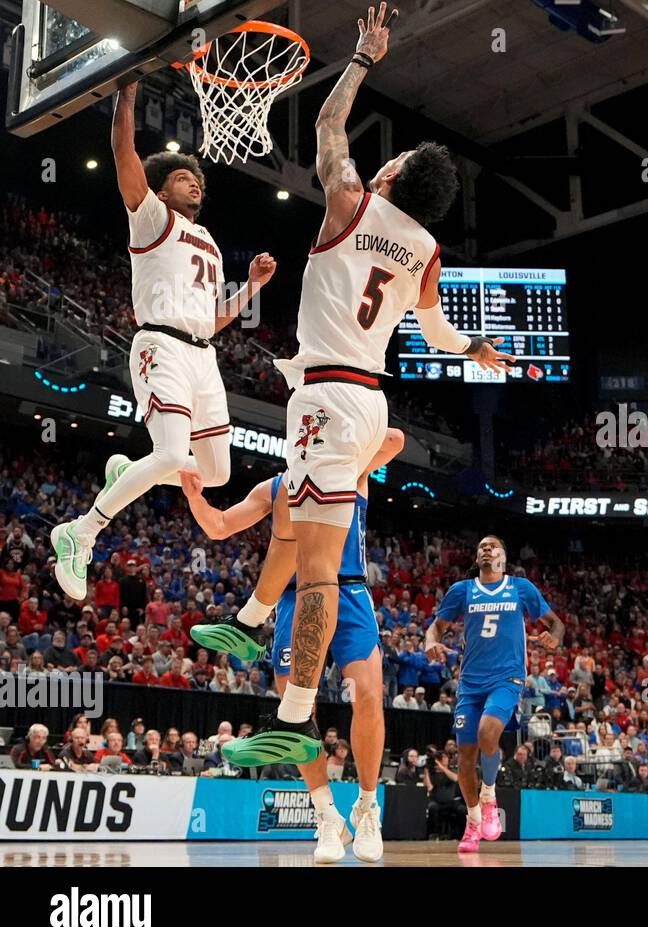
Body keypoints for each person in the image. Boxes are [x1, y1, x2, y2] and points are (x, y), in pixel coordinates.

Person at [227, 2, 511, 779]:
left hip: (325, 396)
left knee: (315, 566)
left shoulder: (351, 199)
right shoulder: (426, 251)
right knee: (301, 538)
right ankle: (255, 626)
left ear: (390, 175)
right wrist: (478, 347)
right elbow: (441, 336)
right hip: (367, 400)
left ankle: (290, 713)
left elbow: (325, 125)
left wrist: (361, 60)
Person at [49, 81, 274, 600]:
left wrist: (253, 289)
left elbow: (213, 320)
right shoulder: (151, 215)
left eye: (196, 180)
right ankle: (79, 533)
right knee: (173, 455)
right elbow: (122, 152)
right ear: (160, 188)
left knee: (214, 473)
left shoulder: (212, 242)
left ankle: (129, 471)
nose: (193, 185)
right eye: (180, 178)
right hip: (160, 347)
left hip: (202, 354)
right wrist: (126, 92)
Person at [181, 430, 403, 863]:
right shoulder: (277, 487)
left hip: (350, 593)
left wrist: (350, 429)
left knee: (370, 697)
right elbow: (219, 525)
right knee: (298, 710)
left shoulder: (348, 467)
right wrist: (194, 494)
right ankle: (325, 814)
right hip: (296, 598)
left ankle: (368, 805)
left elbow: (393, 439)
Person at [426, 534, 564, 852]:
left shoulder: (520, 587)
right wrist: (430, 641)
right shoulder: (462, 590)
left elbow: (555, 623)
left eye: (493, 546)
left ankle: (489, 794)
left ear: (503, 556)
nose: (487, 549)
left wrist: (554, 636)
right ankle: (473, 823)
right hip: (470, 682)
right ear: (477, 559)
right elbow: (437, 626)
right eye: (482, 547)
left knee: (489, 732)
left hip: (507, 677)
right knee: (465, 758)